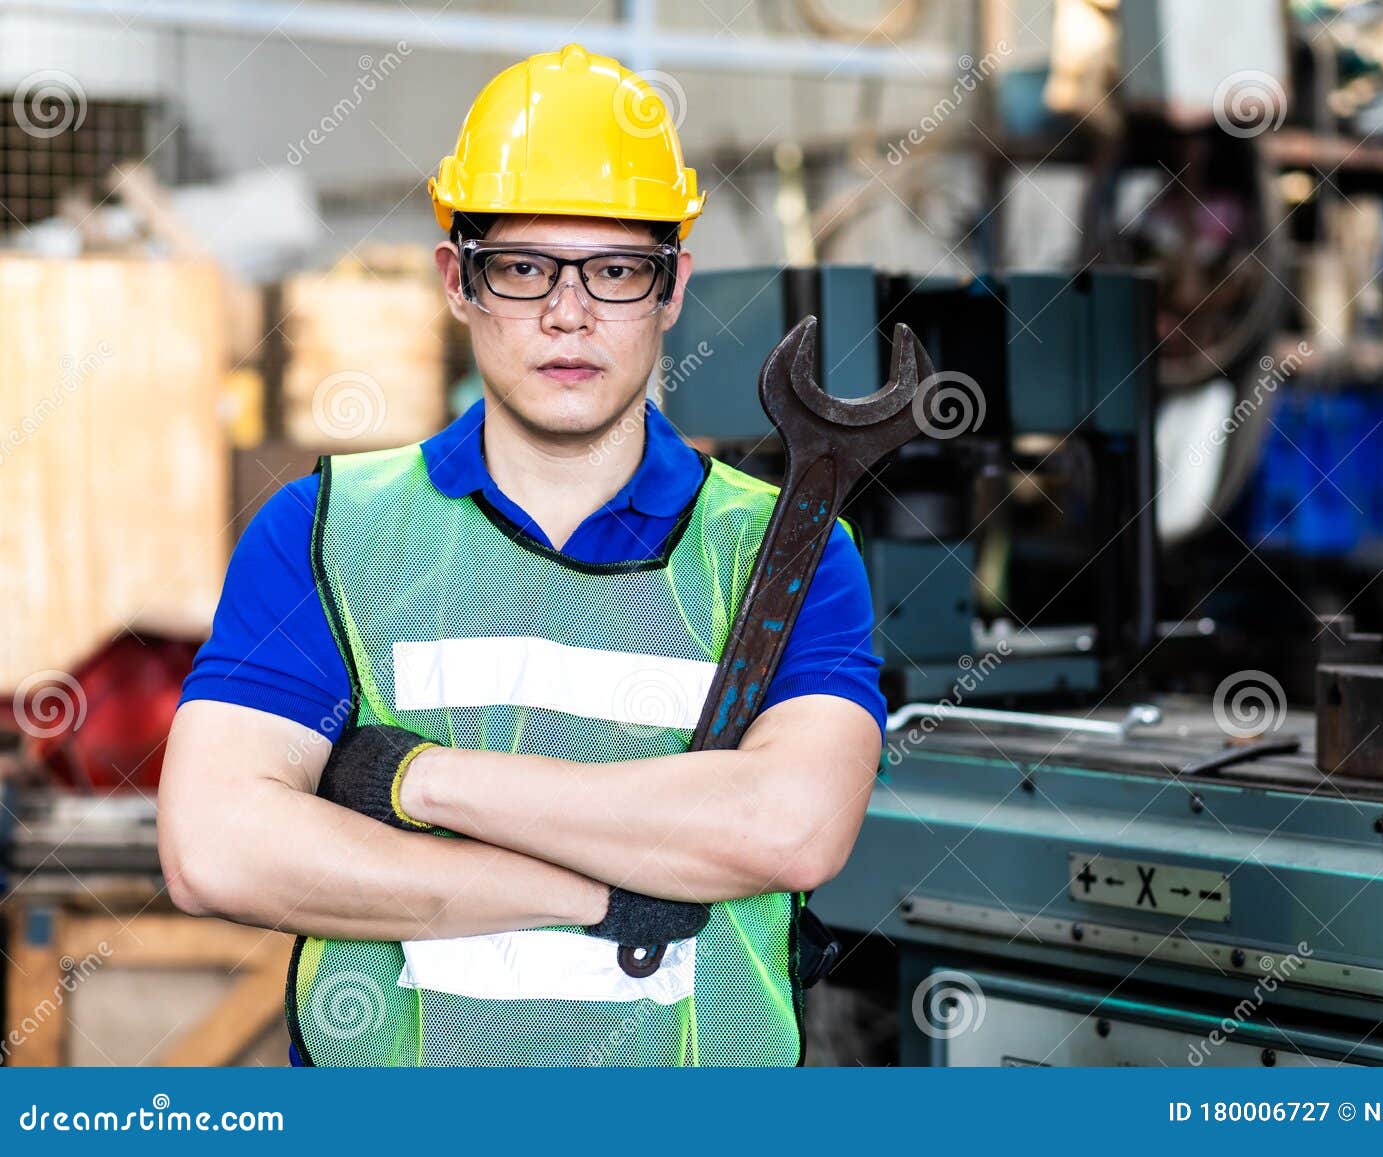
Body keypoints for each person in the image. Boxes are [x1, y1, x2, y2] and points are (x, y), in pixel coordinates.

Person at [158, 43, 887, 1067]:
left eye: (617, 269)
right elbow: (216, 845)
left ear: (673, 286)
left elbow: (789, 827)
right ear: (458, 279)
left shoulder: (787, 549)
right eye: (523, 266)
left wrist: (411, 780)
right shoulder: (325, 529)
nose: (568, 311)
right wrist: (595, 893)